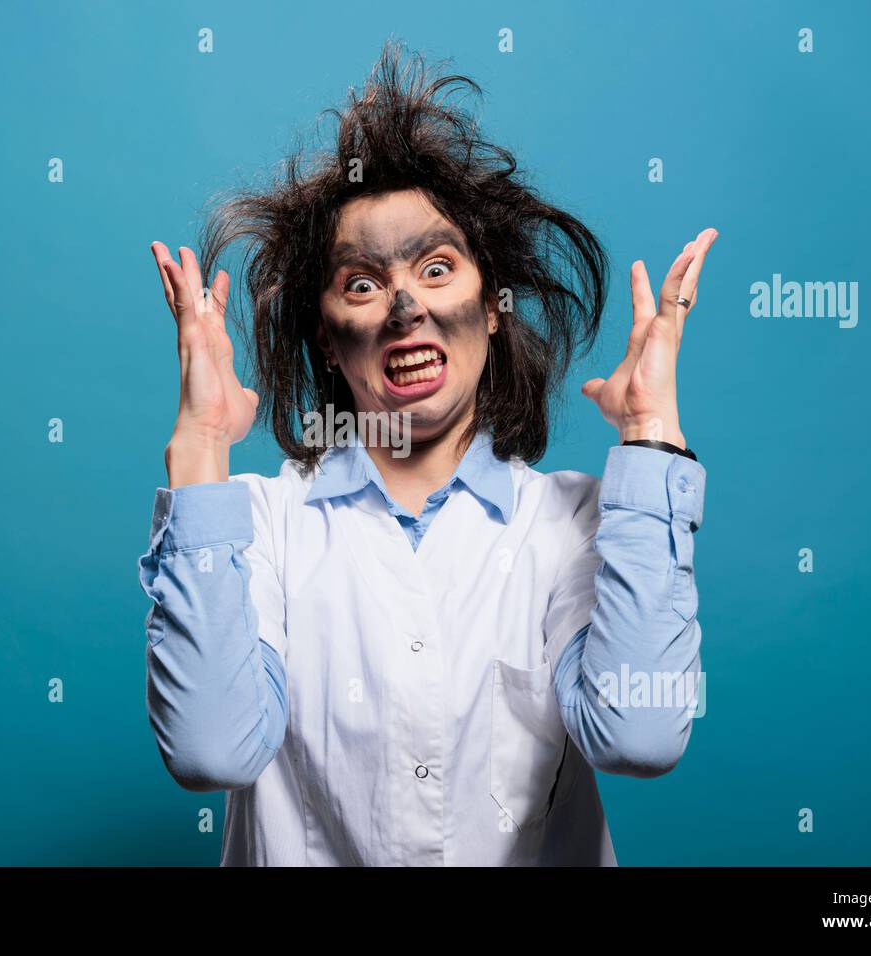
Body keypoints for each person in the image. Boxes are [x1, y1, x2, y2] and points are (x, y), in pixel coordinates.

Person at [138, 39, 717, 866]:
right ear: (328, 344)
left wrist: (652, 431)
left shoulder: (576, 521)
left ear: (491, 310)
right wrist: (199, 448)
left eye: (437, 267)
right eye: (363, 284)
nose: (405, 302)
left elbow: (642, 736)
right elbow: (209, 752)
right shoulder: (258, 526)